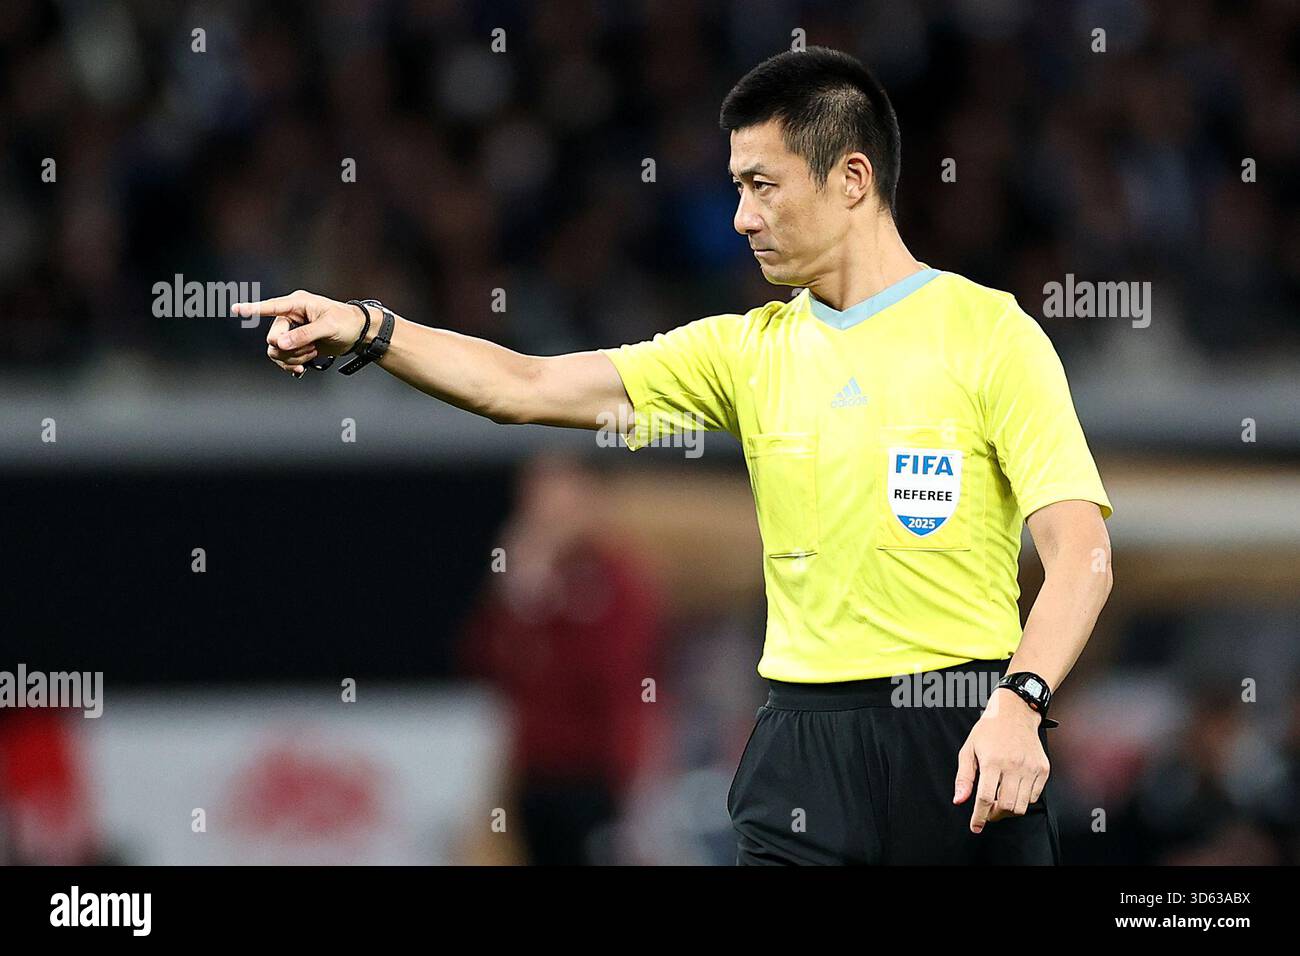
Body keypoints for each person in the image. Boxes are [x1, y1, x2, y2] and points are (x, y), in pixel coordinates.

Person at [233, 46, 1113, 865]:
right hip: (800, 748)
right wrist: (372, 329)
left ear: (852, 179)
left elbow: (1082, 553)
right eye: (736, 187)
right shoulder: (745, 350)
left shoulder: (989, 334)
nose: (741, 216)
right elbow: (526, 387)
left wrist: (1020, 701)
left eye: (762, 185)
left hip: (961, 735)